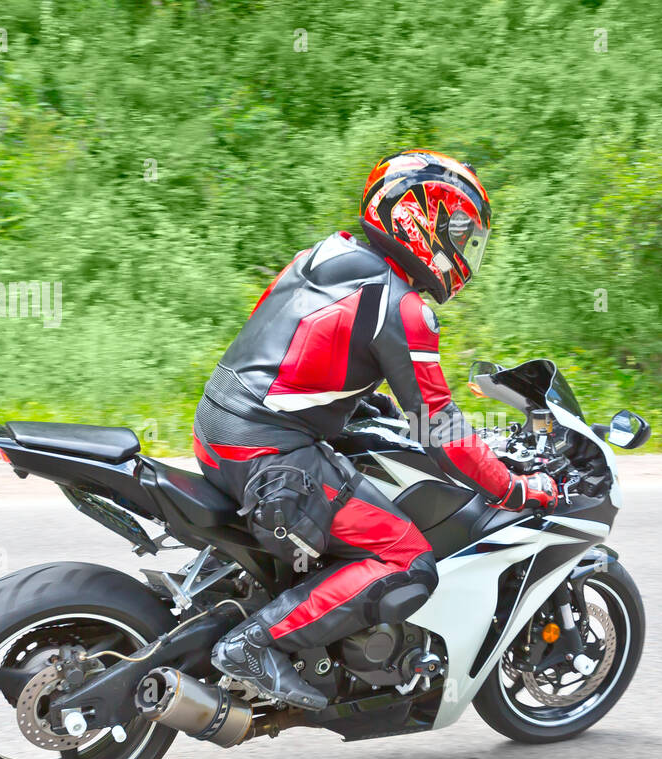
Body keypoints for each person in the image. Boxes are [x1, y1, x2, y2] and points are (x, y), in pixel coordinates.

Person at [193, 149, 558, 710]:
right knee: (407, 559)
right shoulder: (402, 305)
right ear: (420, 219)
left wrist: (368, 407)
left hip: (218, 429)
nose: (462, 249)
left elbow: (293, 352)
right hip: (269, 455)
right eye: (459, 232)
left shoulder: (326, 255)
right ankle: (255, 643)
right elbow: (437, 425)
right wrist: (512, 487)